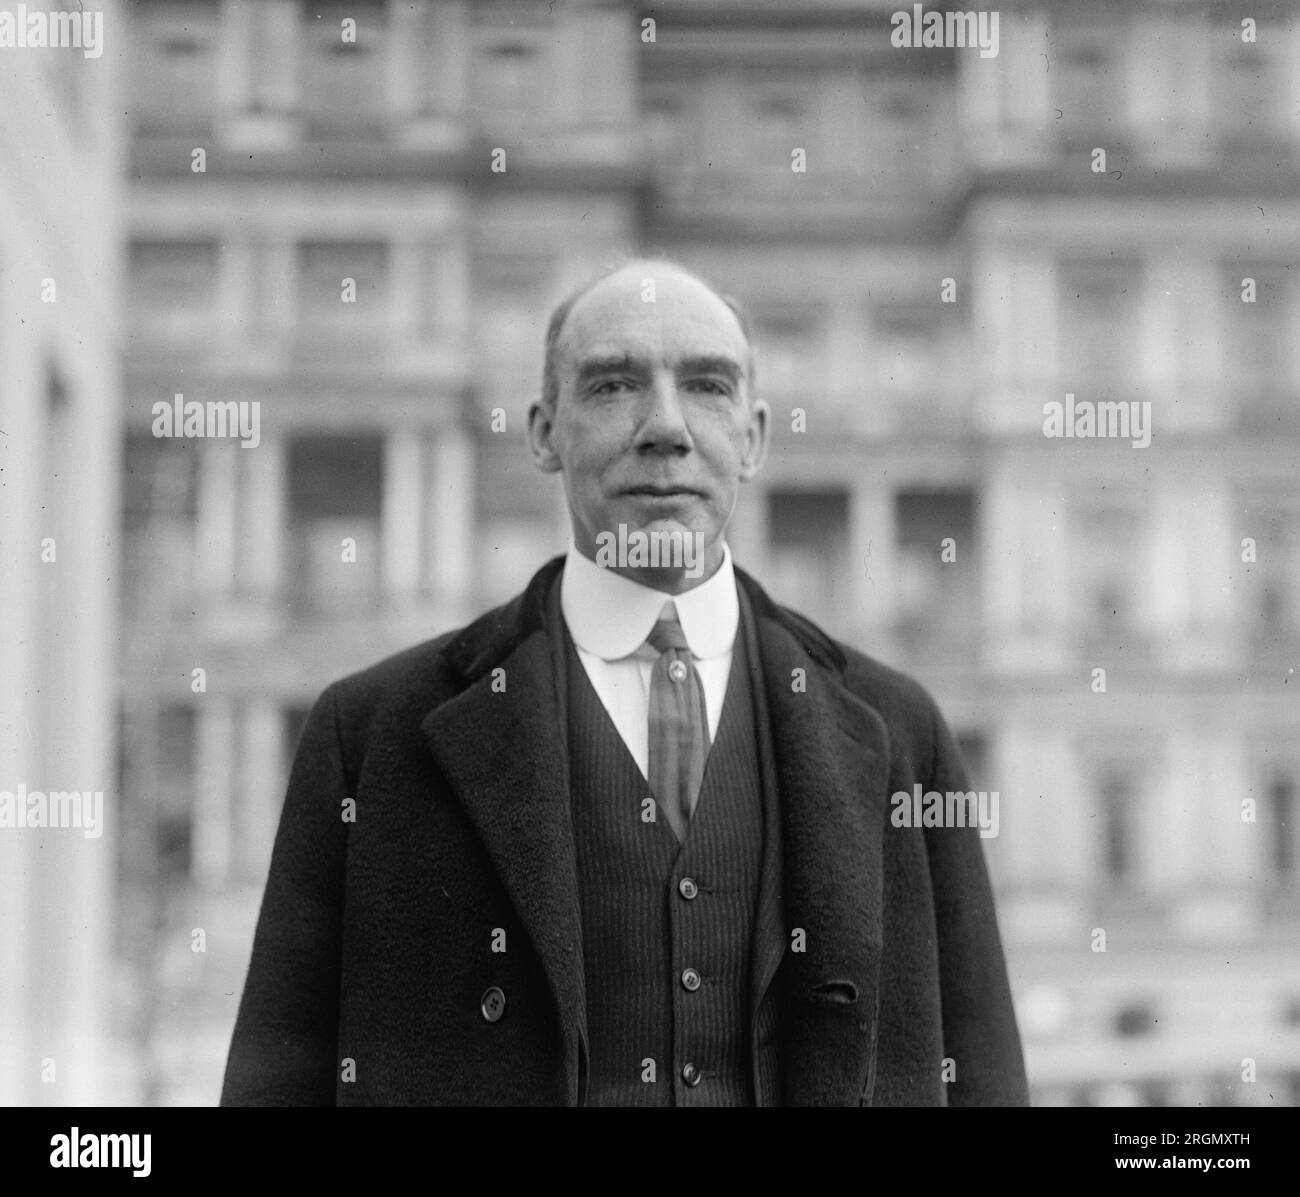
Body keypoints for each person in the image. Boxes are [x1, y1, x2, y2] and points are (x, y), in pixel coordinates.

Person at [221, 258, 1028, 1106]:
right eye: (613, 386)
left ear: (752, 438)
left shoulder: (901, 734)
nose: (666, 428)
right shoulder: (371, 735)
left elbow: (983, 1082)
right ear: (544, 431)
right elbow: (277, 1083)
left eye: (708, 387)